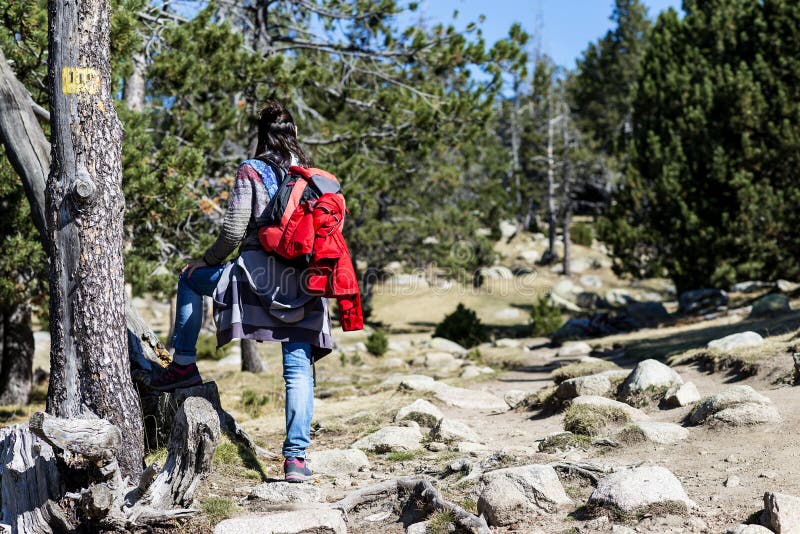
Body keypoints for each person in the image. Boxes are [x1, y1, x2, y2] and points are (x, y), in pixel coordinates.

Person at [151, 100, 333, 483]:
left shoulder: (251, 170)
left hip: (255, 280)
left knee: (188, 279)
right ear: (293, 133)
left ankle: (183, 364)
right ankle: (296, 460)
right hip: (305, 283)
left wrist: (205, 260)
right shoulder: (313, 178)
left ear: (261, 134)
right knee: (298, 371)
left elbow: (233, 231)